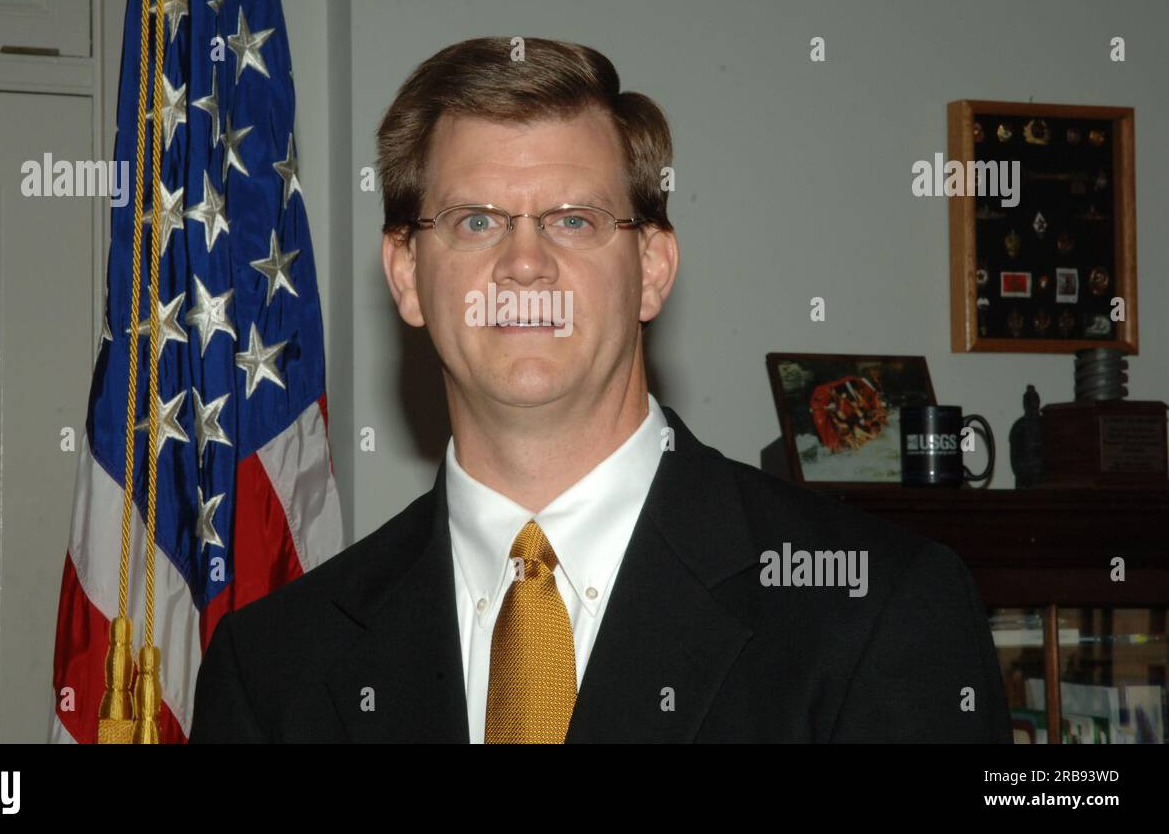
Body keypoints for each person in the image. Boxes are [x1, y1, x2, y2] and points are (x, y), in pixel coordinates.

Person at [190, 36, 1012, 743]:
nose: (523, 262)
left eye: (574, 219)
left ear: (652, 268)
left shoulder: (876, 610)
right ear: (406, 274)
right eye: (476, 220)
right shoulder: (272, 670)